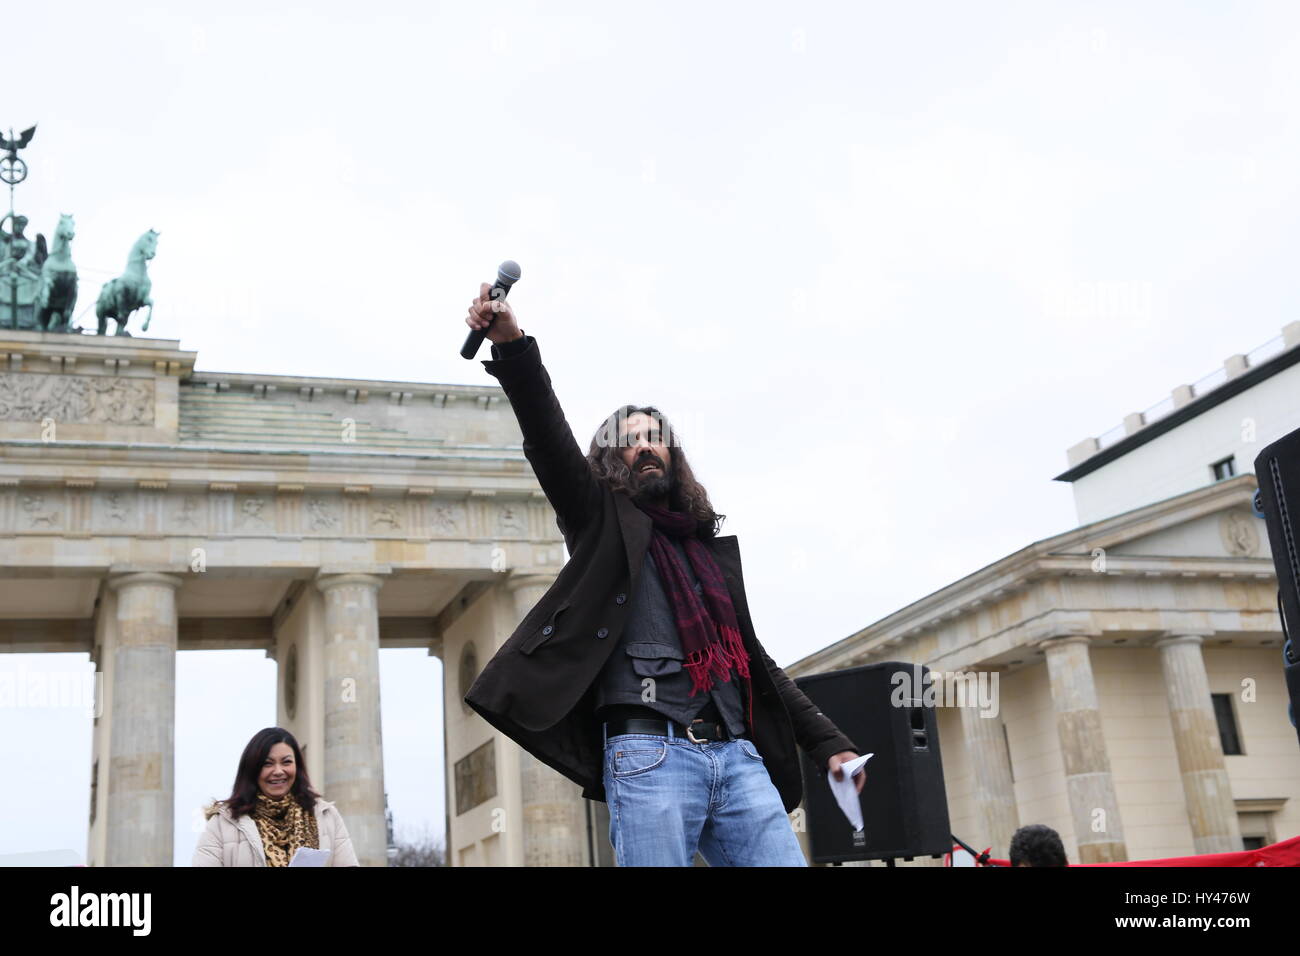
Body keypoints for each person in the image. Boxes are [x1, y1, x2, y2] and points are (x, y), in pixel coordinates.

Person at [462, 283, 865, 867]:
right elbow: (547, 437)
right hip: (649, 755)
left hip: (738, 757)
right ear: (611, 459)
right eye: (630, 442)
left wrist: (829, 743)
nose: (646, 447)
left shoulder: (704, 552)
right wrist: (513, 345)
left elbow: (754, 660)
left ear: (674, 455)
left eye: (656, 438)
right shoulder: (600, 521)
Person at [192, 727, 359, 867]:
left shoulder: (326, 816)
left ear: (298, 767)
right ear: (252, 769)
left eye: (286, 762)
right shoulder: (222, 823)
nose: (278, 771)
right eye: (267, 764)